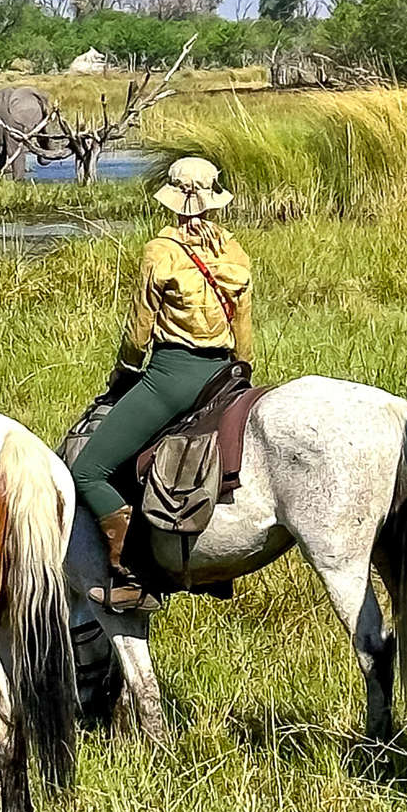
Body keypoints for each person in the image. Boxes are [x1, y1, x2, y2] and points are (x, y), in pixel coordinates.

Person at [71, 157, 253, 613]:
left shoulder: (161, 249)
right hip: (224, 376)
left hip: (172, 375)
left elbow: (138, 333)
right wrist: (241, 371)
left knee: (87, 470)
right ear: (213, 201)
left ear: (173, 200)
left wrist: (125, 373)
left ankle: (131, 572)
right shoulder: (234, 251)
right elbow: (245, 334)